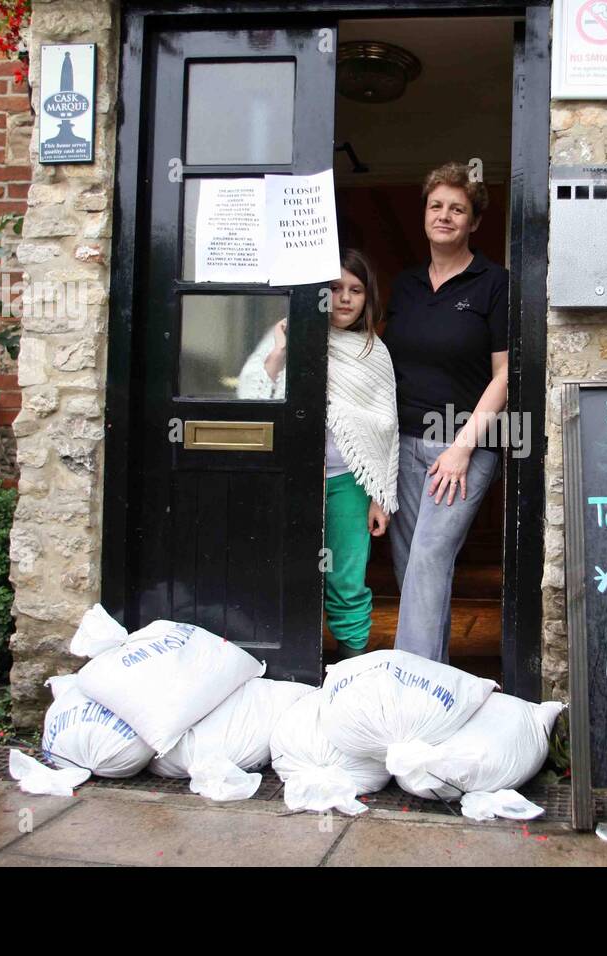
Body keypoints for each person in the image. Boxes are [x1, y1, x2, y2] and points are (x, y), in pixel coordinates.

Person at [237, 249, 399, 660]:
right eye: (335, 288)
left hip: (350, 482)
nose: (345, 298)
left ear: (367, 298)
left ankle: (352, 664)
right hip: (292, 479)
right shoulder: (292, 336)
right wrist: (279, 351)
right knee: (285, 570)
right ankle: (285, 665)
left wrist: (380, 494)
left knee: (346, 577)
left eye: (356, 290)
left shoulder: (372, 353)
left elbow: (385, 425)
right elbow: (251, 397)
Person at [382, 161, 509, 663]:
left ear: (473, 222)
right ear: (424, 215)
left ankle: (407, 680)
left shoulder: (492, 282)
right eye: (436, 206)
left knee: (430, 559)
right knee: (408, 563)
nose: (445, 215)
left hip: (462, 446)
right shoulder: (407, 286)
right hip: (406, 443)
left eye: (457, 209)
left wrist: (463, 446)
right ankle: (430, 675)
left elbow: (505, 375)